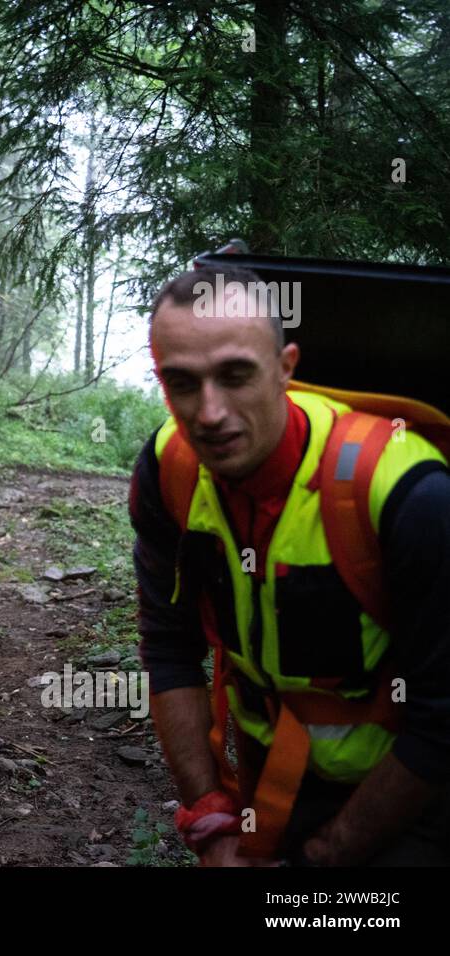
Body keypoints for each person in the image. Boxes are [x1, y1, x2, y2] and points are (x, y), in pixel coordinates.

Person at [130, 265, 450, 866]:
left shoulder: (406, 494)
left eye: (235, 376)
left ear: (286, 367)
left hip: (418, 787)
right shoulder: (170, 471)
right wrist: (209, 819)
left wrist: (319, 860)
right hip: (276, 777)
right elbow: (170, 648)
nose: (209, 413)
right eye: (182, 383)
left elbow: (442, 718)